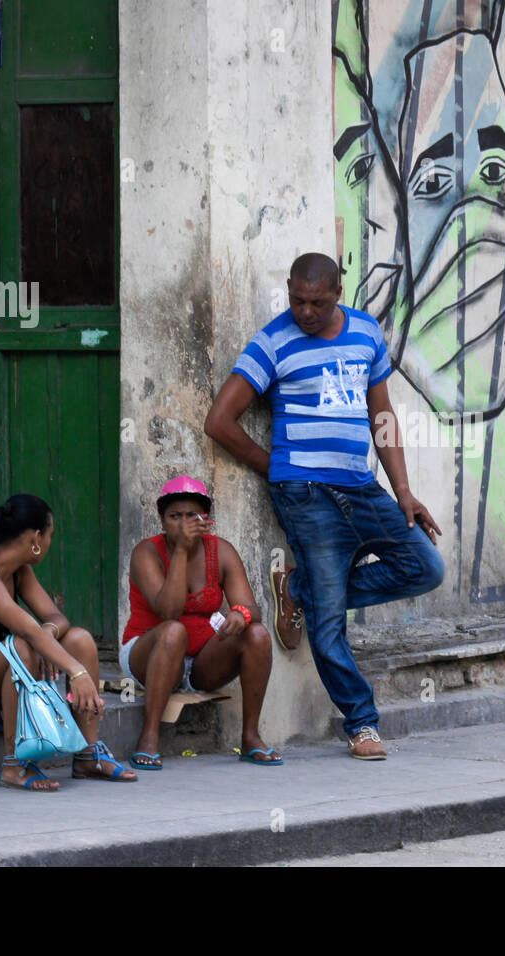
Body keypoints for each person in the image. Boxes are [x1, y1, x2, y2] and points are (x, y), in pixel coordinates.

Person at [205, 252, 445, 760]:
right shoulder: (273, 340)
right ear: (289, 289)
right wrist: (274, 466)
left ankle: (300, 589)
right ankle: (362, 724)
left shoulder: (366, 333)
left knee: (425, 565)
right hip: (306, 496)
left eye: (317, 302)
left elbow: (381, 413)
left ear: (339, 291)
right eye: (297, 300)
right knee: (331, 626)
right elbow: (220, 420)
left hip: (361, 488)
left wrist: (404, 492)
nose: (306, 312)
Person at [0, 493, 137, 791]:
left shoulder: (20, 571)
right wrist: (77, 673)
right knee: (21, 646)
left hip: (0, 674)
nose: (50, 542)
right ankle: (13, 765)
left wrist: (48, 636)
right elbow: (27, 632)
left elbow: (55, 618)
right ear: (36, 537)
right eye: (50, 535)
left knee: (79, 639)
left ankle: (88, 754)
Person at [120, 476, 279, 767]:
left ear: (205, 520)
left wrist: (240, 615)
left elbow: (252, 608)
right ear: (162, 520)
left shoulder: (222, 552)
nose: (182, 524)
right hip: (148, 654)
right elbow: (169, 611)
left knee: (256, 635)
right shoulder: (146, 552)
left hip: (201, 663)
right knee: (174, 630)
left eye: (191, 516)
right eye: (174, 517)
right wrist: (180, 550)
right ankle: (149, 736)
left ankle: (250, 737)